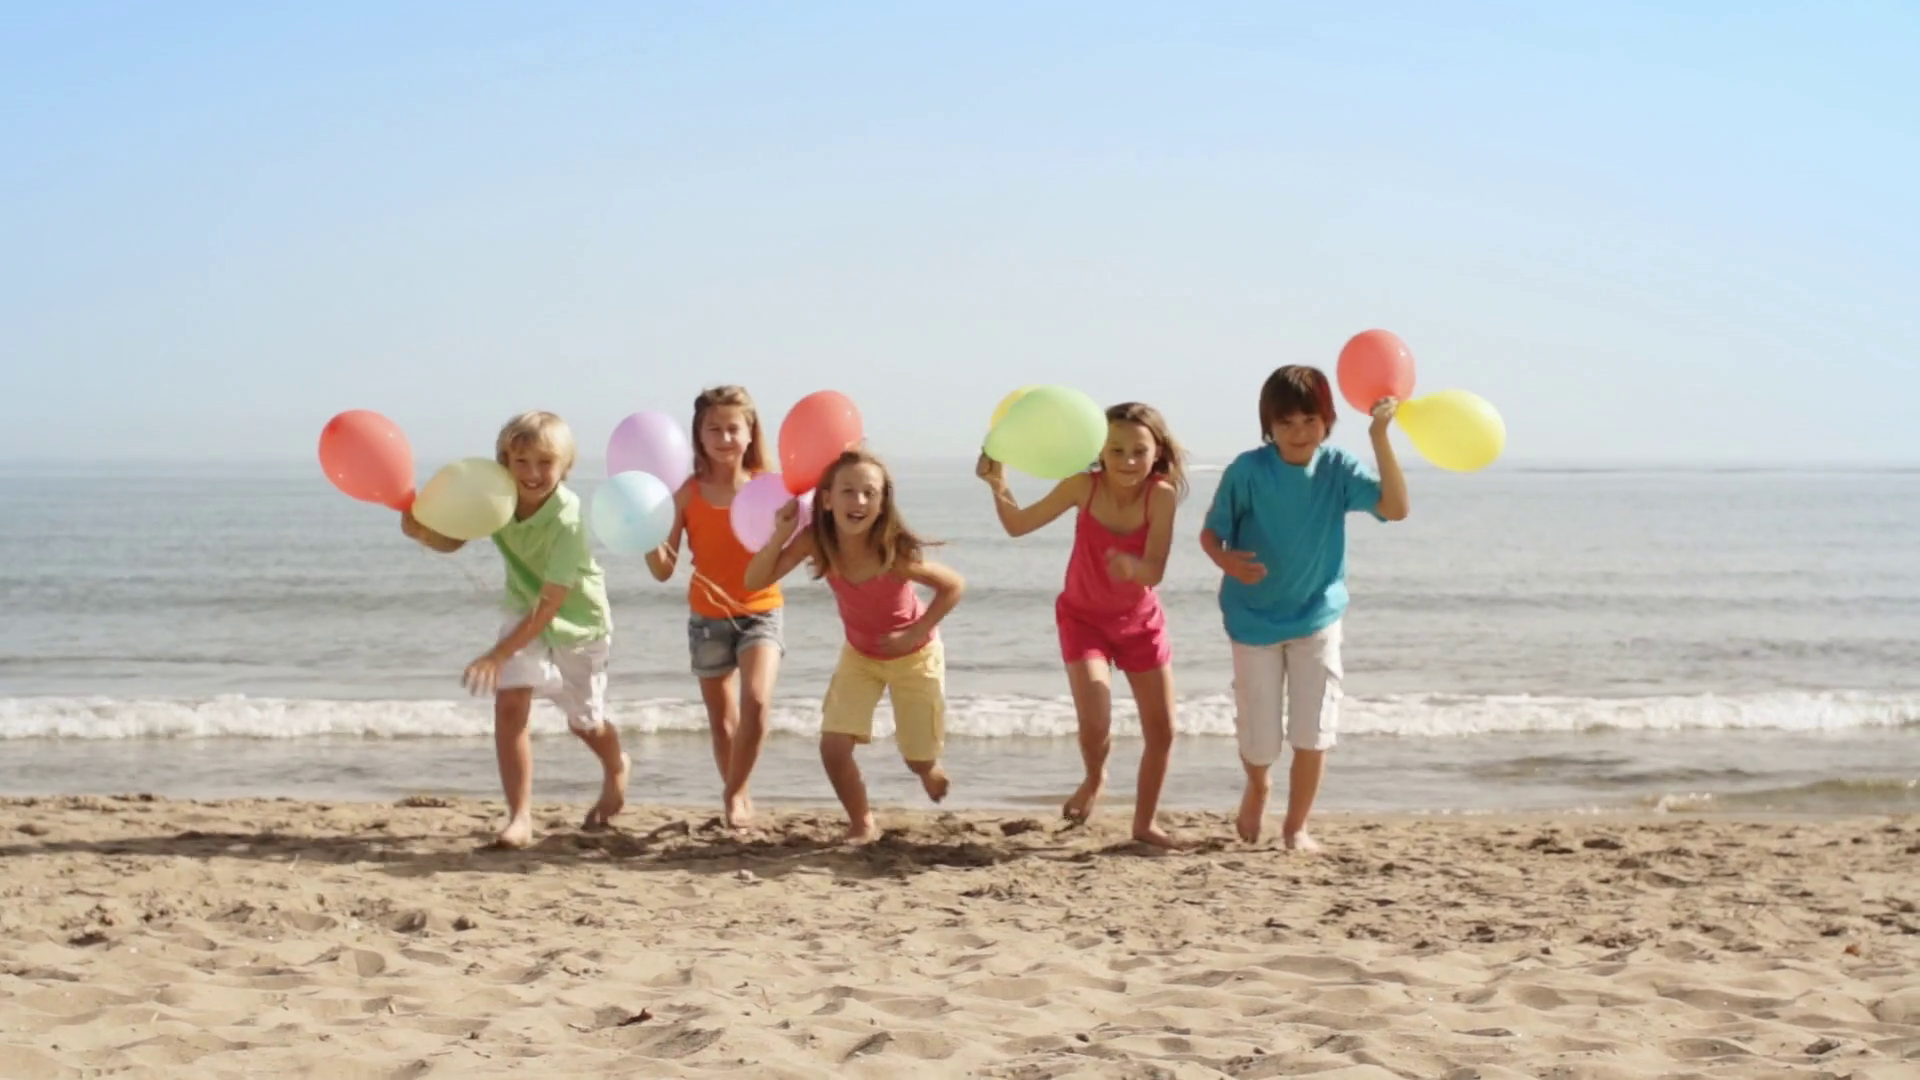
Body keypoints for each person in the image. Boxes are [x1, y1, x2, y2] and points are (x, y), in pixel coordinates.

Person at [1198, 366, 1408, 849]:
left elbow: (1395, 508)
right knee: (1260, 738)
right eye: (1286, 422)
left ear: (1328, 421)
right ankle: (1257, 784)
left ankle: (1296, 828)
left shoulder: (1338, 468)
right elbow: (1211, 532)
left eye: (1310, 421)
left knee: (1313, 732)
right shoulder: (1248, 470)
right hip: (1253, 619)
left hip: (1318, 617)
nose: (1298, 433)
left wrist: (1379, 436)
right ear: (1268, 425)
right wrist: (1225, 559)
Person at [402, 411, 628, 850]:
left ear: (565, 467)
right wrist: (422, 532)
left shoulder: (567, 516)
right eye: (520, 461)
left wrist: (499, 653)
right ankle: (520, 817)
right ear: (504, 462)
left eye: (545, 462)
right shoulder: (498, 498)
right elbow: (457, 538)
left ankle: (617, 766)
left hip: (576, 620)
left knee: (585, 722)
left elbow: (552, 603)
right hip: (523, 606)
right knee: (509, 705)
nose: (532, 473)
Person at [977, 402, 1187, 848]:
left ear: (1157, 452)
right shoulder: (1082, 487)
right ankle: (1095, 778)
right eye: (1116, 451)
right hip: (1083, 619)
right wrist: (999, 483)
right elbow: (1018, 525)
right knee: (1095, 720)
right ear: (1099, 451)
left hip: (1140, 624)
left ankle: (1144, 823)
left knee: (1163, 730)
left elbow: (1155, 570)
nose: (1127, 461)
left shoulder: (1161, 495)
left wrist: (1133, 566)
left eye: (1138, 451)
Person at [744, 449, 965, 844]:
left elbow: (953, 586)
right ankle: (861, 822)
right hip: (860, 657)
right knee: (833, 747)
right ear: (826, 499)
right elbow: (756, 579)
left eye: (869, 493)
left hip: (915, 656)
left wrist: (915, 633)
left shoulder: (893, 552)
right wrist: (781, 533)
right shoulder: (818, 541)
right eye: (848, 491)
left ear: (882, 504)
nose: (858, 501)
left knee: (917, 758)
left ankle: (927, 769)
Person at [645, 386, 783, 829]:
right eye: (714, 429)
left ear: (749, 433)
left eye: (733, 428)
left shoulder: (769, 488)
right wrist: (644, 533)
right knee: (723, 723)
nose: (725, 438)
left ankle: (735, 791)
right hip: (707, 619)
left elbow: (795, 547)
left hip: (760, 609)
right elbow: (663, 569)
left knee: (757, 703)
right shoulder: (687, 494)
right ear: (699, 437)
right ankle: (735, 799)